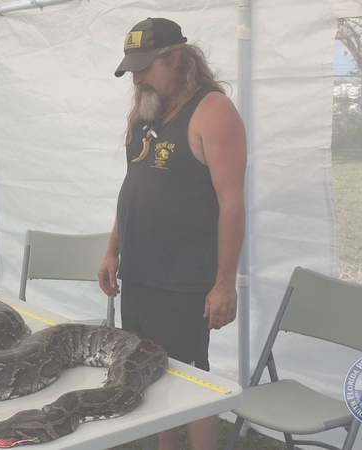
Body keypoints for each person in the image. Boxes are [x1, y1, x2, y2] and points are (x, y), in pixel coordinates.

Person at [97, 18, 246, 450]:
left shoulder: (212, 111)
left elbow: (232, 203)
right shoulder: (146, 113)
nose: (136, 77)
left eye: (144, 67)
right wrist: (112, 251)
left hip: (183, 279)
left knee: (192, 380)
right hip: (139, 275)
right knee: (153, 373)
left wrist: (224, 284)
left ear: (175, 58)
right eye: (131, 69)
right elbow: (134, 188)